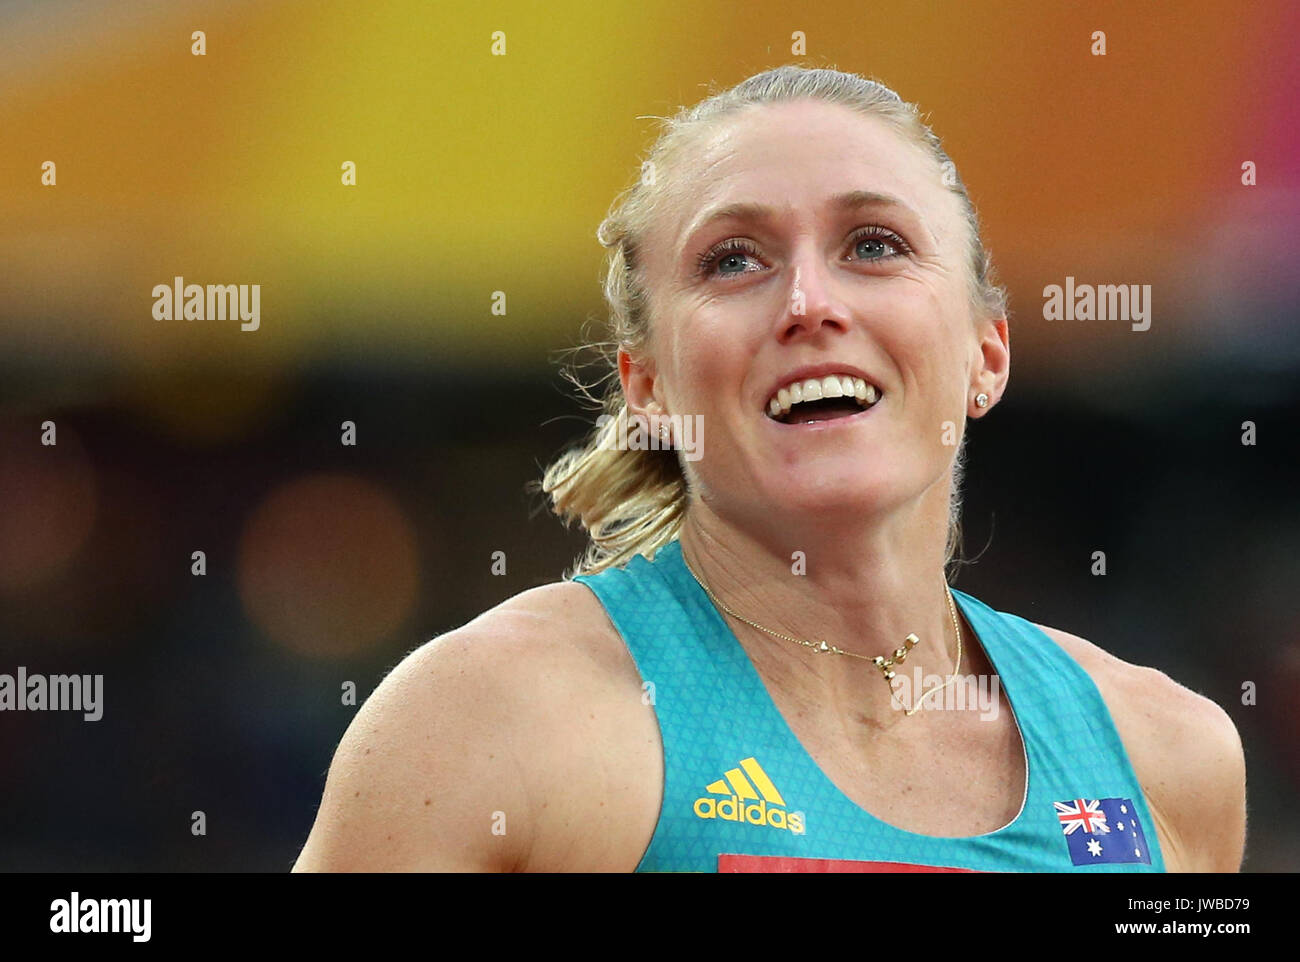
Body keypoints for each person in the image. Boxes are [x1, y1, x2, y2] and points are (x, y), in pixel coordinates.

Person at [292, 65, 1246, 873]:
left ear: (985, 354)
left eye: (874, 245)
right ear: (648, 387)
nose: (807, 302)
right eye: (733, 261)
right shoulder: (488, 723)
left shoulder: (1170, 758)